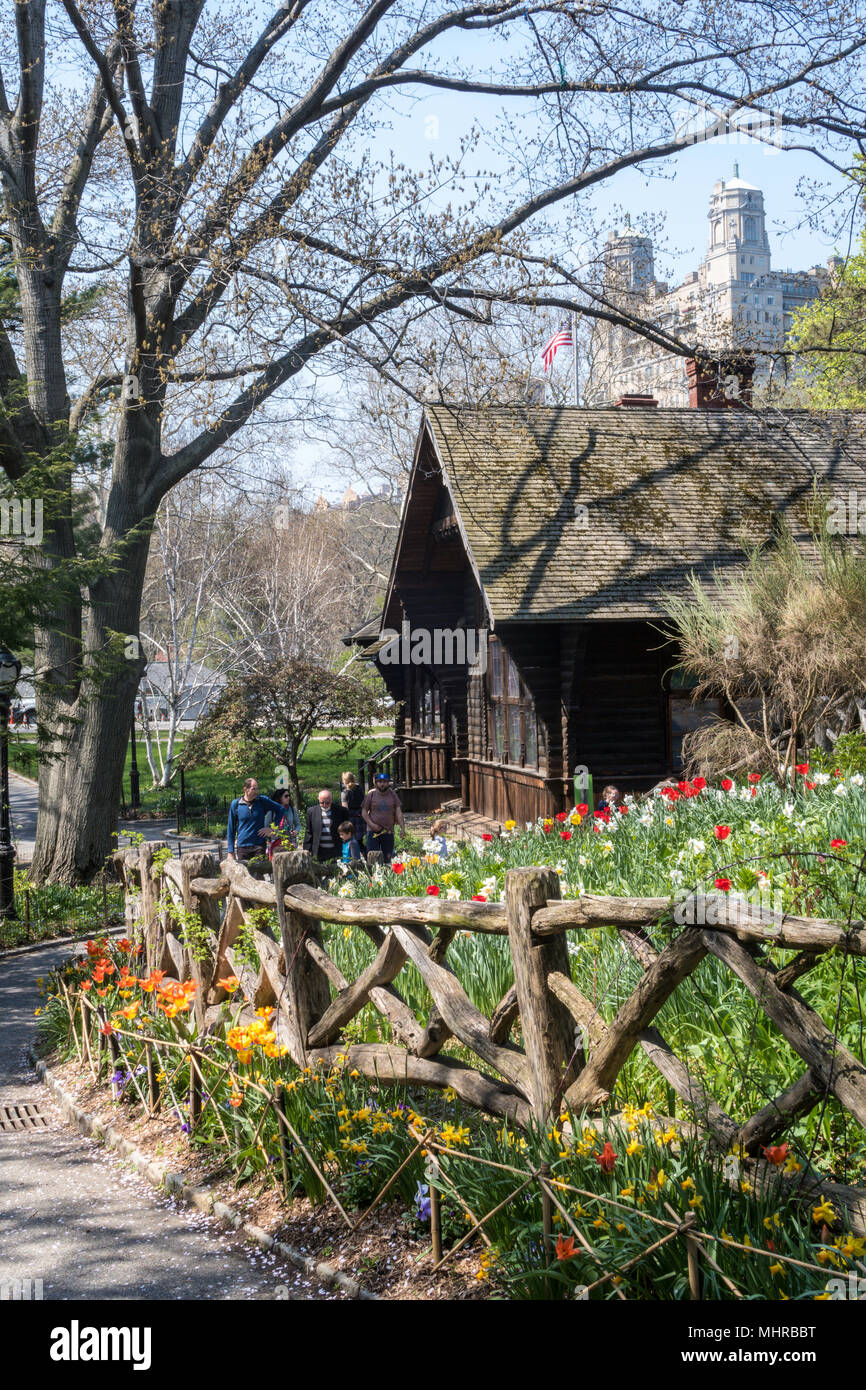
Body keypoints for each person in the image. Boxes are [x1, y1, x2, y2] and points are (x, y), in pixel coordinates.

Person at [226, 778, 284, 862]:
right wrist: (230, 851)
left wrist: (272, 828)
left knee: (258, 874)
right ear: (245, 789)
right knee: (244, 874)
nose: (256, 792)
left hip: (259, 846)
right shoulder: (235, 804)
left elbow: (280, 809)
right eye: (254, 789)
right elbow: (231, 829)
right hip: (242, 847)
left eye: (257, 789)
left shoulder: (262, 801)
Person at [361, 771, 404, 864]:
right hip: (372, 831)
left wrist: (402, 829)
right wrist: (371, 824)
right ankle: (373, 877)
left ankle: (386, 877)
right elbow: (364, 812)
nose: (382, 784)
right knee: (373, 858)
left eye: (384, 782)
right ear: (376, 783)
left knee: (387, 858)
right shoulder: (371, 795)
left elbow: (399, 812)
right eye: (380, 782)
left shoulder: (393, 795)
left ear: (388, 783)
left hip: (387, 831)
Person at [303, 788, 344, 862]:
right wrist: (306, 850)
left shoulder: (341, 811)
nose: (324, 805)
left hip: (336, 850)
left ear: (331, 800)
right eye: (321, 802)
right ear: (318, 799)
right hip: (319, 851)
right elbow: (309, 832)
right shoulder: (311, 811)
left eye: (327, 802)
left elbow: (346, 829)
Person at [267, 788, 300, 860]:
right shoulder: (272, 811)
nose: (288, 798)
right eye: (286, 796)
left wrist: (296, 831)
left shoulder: (292, 809)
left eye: (289, 796)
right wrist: (270, 833)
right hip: (276, 843)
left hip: (290, 842)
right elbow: (266, 826)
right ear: (279, 798)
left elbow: (298, 824)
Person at [340, 771, 365, 845]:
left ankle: (351, 855)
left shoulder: (344, 793)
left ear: (344, 781)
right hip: (360, 815)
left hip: (350, 817)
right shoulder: (359, 789)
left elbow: (345, 808)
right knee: (359, 840)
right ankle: (365, 855)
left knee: (350, 839)